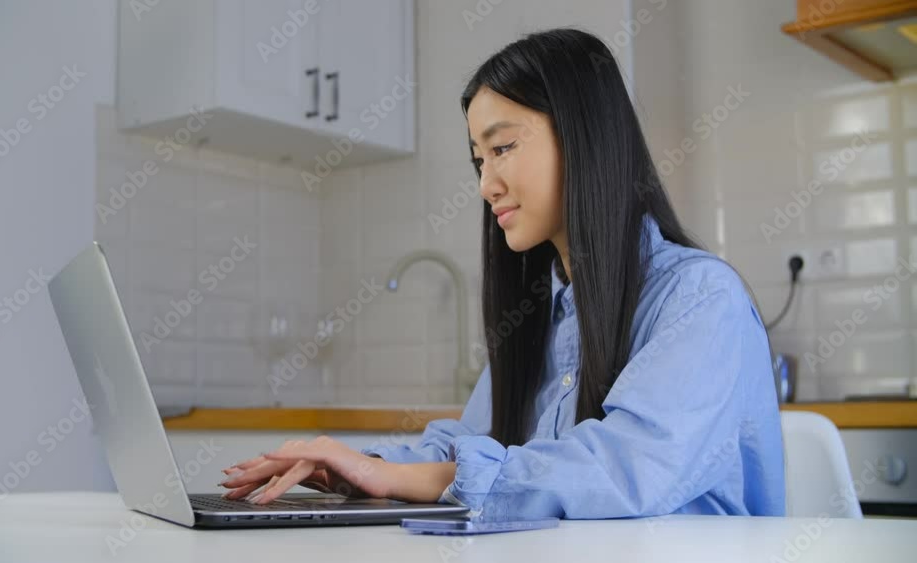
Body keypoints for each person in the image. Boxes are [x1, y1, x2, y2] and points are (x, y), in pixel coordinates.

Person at [218, 27, 786, 521]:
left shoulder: (700, 297)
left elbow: (623, 467)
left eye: (503, 147)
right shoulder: (542, 310)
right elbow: (472, 443)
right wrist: (360, 466)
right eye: (478, 160)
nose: (485, 184)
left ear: (584, 136)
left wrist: (405, 481)